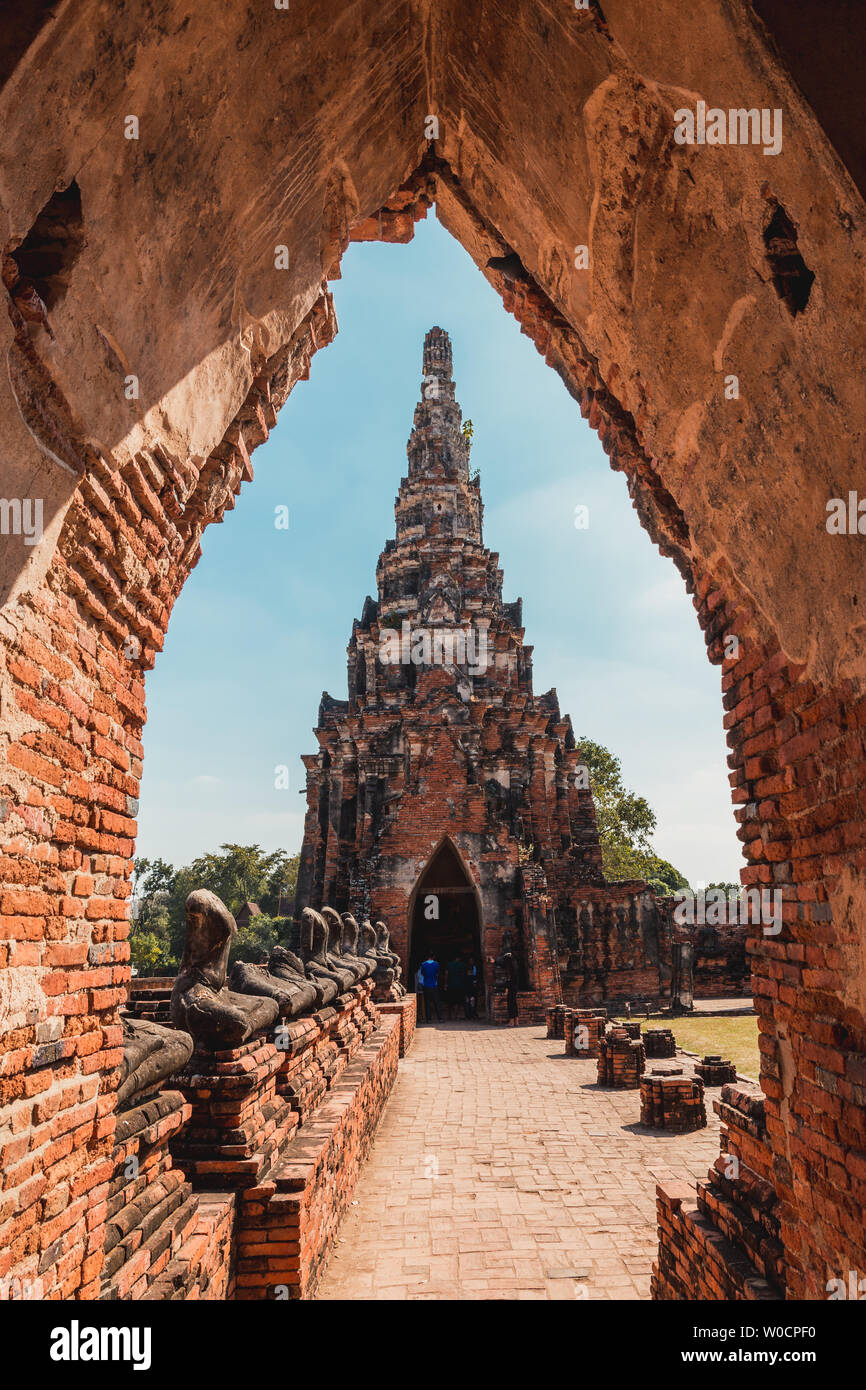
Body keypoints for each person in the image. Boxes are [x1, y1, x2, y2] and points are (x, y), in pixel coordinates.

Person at [418, 955, 440, 1021]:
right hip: (434, 985)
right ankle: (439, 1018)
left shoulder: (423, 964)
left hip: (426, 985)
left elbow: (422, 973)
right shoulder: (436, 964)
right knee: (436, 1002)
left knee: (427, 1002)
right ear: (433, 957)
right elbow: (437, 973)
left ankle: (428, 1019)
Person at [445, 955, 465, 1019]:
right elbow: (463, 975)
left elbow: (446, 974)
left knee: (450, 1001)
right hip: (459, 985)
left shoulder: (449, 964)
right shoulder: (462, 964)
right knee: (458, 1001)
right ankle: (456, 1016)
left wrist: (445, 983)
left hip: (451, 984)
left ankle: (449, 1016)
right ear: (458, 958)